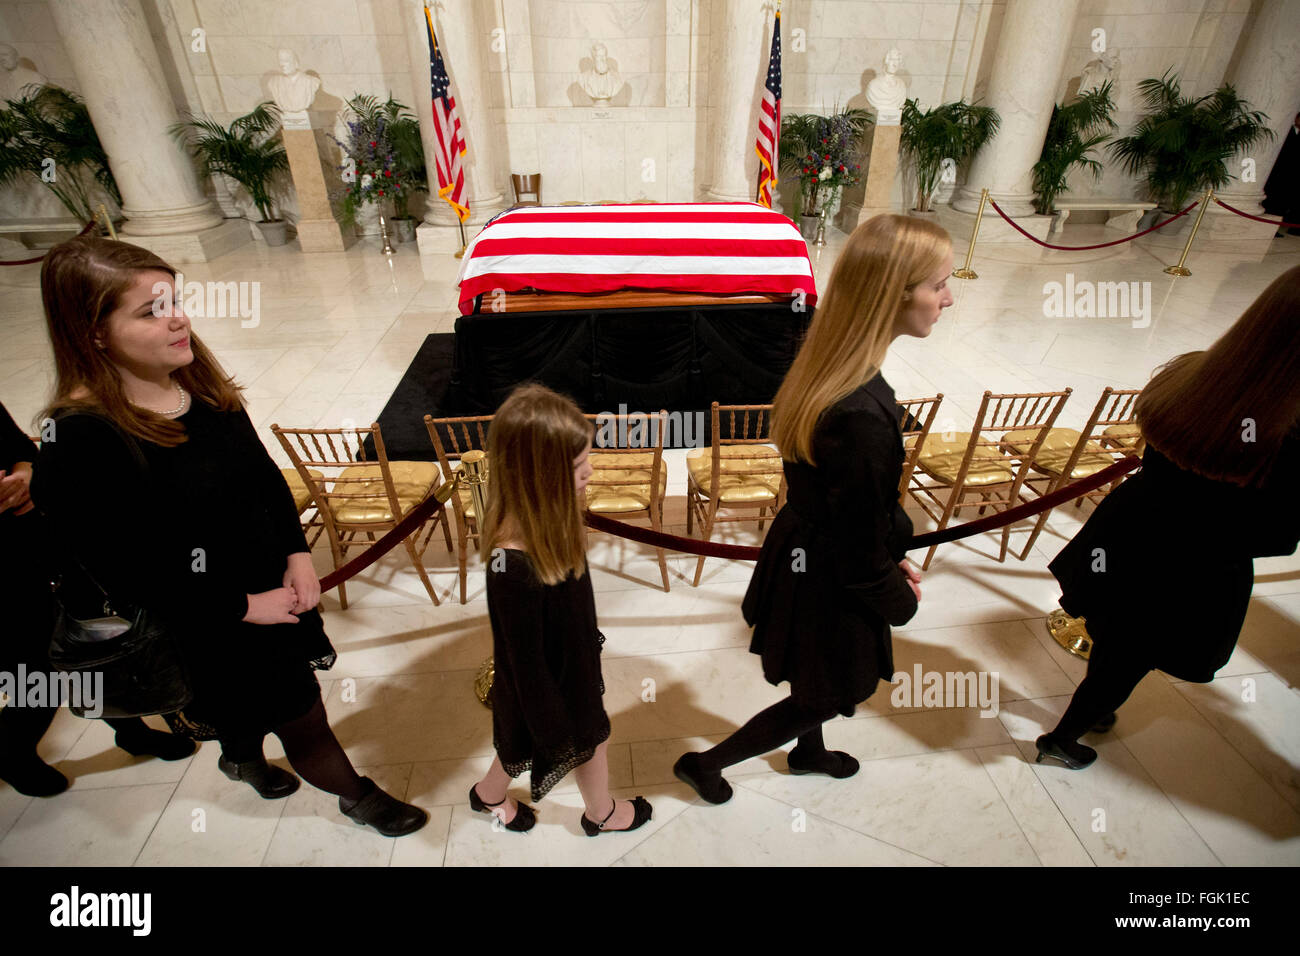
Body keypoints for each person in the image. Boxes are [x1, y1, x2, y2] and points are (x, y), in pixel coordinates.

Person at [29, 237, 426, 836]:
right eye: (150, 311)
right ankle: (358, 797)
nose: (179, 318)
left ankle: (241, 758)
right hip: (205, 623)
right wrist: (241, 606)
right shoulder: (80, 438)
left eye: (175, 300)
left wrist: (296, 553)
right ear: (93, 334)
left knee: (262, 710)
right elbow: (124, 570)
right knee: (300, 718)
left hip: (270, 589)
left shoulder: (199, 385)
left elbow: (265, 481)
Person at [674, 214, 954, 803]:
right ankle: (709, 763)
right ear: (892, 297)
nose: (947, 299)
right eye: (938, 285)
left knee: (815, 673)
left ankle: (809, 751)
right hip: (830, 576)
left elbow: (853, 510)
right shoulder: (859, 414)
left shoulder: (834, 365)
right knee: (826, 691)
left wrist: (888, 544)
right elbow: (856, 552)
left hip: (808, 548)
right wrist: (897, 599)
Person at [1039, 264, 1300, 769]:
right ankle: (1061, 739)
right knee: (1126, 660)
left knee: (1113, 638)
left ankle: (1093, 711)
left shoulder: (1189, 371)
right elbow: (1275, 535)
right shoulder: (1286, 437)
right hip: (1192, 567)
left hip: (1128, 532)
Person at [470, 383, 652, 835]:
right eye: (577, 466)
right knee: (591, 740)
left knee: (516, 744)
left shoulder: (554, 518)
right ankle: (602, 814)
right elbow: (525, 662)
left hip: (569, 665)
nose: (589, 473)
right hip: (549, 683)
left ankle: (487, 794)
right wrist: (556, 733)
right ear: (537, 475)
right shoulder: (510, 564)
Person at [0, 400, 194, 797]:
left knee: (90, 639)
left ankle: (130, 729)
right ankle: (12, 749)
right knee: (33, 666)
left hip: (35, 539)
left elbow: (21, 447)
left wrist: (26, 475)